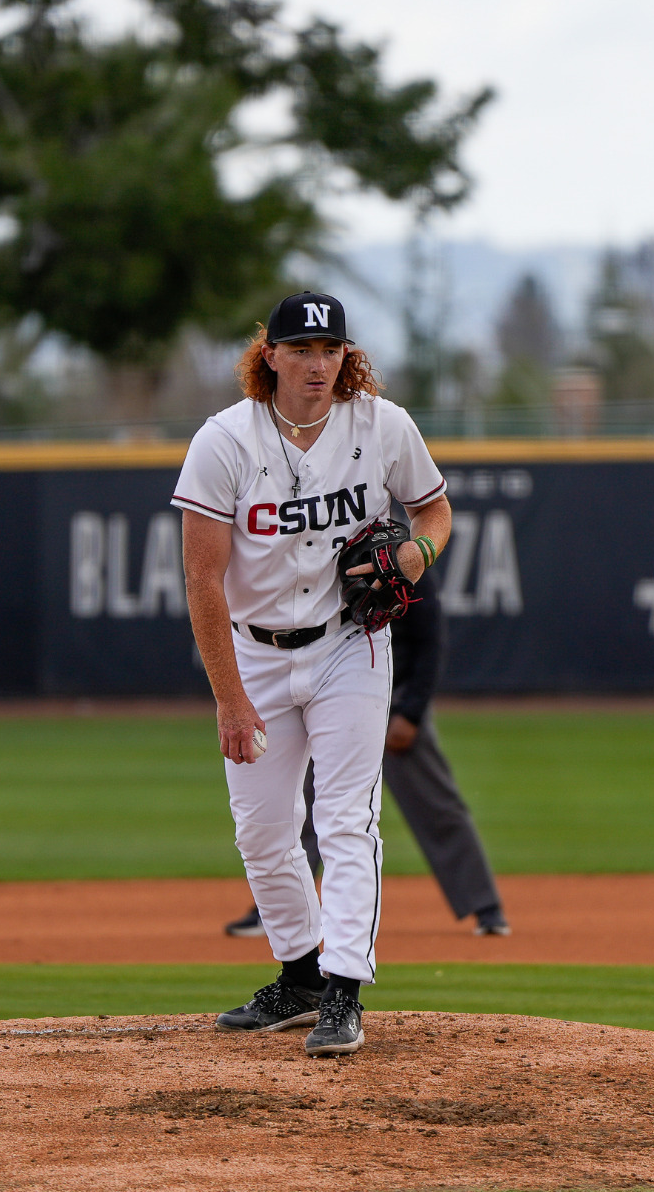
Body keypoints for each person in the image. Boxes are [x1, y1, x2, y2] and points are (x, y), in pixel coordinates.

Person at [175, 290, 451, 1057]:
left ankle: (343, 989)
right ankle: (297, 975)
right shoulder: (224, 441)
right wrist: (229, 698)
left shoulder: (381, 423)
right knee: (262, 830)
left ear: (346, 355)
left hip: (347, 642)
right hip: (255, 654)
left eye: (330, 350)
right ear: (270, 355)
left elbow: (434, 511)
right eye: (300, 349)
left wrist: (414, 554)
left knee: (344, 818)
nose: (317, 364)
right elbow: (202, 579)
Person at [223, 569, 510, 938]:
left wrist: (413, 712)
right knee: (306, 811)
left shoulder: (396, 553)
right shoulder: (314, 560)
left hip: (395, 704)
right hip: (324, 699)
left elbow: (430, 640)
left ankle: (486, 908)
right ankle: (276, 913)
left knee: (437, 807)